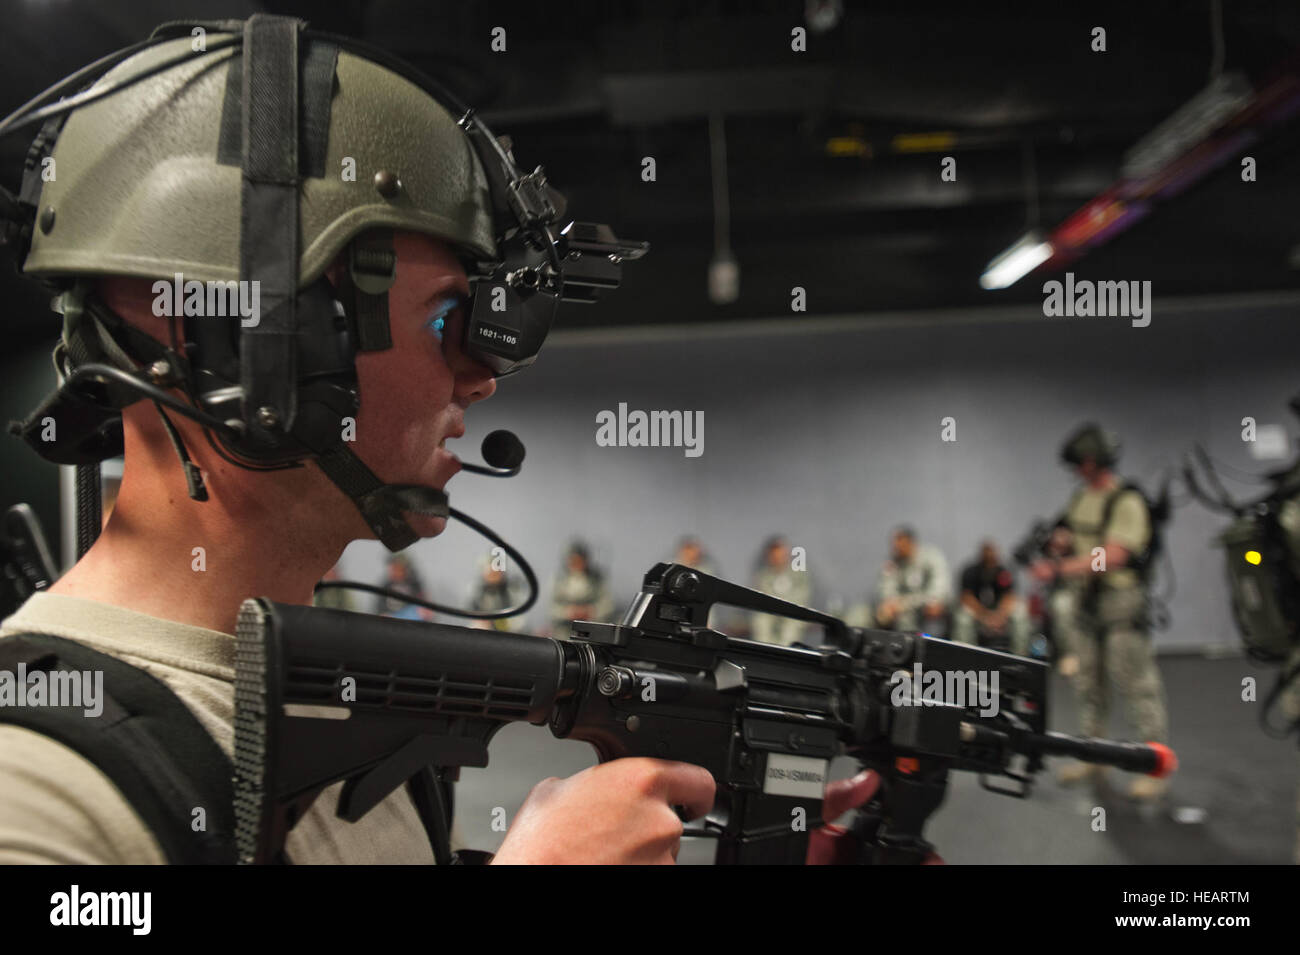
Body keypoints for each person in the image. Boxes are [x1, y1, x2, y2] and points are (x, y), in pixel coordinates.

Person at [1030, 424, 1171, 801]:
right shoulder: (1081, 499)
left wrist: (1061, 568)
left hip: (1121, 603)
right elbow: (1078, 538)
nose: (1077, 469)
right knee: (1088, 684)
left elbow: (1113, 556)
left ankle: (1155, 766)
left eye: (1080, 462)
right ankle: (1094, 756)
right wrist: (1060, 543)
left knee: (1135, 683)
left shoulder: (1127, 500)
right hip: (1086, 603)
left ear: (1092, 461)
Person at [952, 540, 1030, 656]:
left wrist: (999, 616)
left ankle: (1020, 656)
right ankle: (964, 655)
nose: (990, 557)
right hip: (978, 612)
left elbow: (1009, 597)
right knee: (963, 618)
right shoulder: (970, 572)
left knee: (1020, 614)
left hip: (998, 613)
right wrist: (984, 616)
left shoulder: (1004, 573)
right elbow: (966, 598)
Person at [873, 526, 952, 636]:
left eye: (901, 545)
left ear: (912, 543)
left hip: (931, 606)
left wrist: (904, 603)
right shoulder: (892, 564)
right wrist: (891, 604)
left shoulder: (931, 556)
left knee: (939, 613)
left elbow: (939, 589)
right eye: (895, 546)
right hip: (907, 609)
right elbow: (886, 590)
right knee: (899, 618)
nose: (897, 549)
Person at [750, 535, 813, 645]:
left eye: (781, 554)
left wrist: (785, 605)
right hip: (770, 610)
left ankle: (785, 650)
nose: (778, 558)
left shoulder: (798, 574)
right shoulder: (764, 575)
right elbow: (761, 596)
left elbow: (802, 597)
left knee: (792, 625)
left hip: (792, 610)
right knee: (761, 621)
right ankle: (764, 649)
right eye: (774, 555)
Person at [549, 541, 616, 640]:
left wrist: (589, 612)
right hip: (565, 630)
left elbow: (607, 605)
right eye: (573, 560)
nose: (577, 564)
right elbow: (552, 608)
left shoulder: (596, 580)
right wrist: (569, 612)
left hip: (590, 630)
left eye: (580, 560)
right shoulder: (560, 581)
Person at [466, 553, 528, 632]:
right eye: (490, 571)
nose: (494, 574)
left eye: (497, 571)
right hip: (484, 627)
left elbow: (517, 616)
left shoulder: (511, 589)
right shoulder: (477, 589)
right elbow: (471, 608)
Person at [373, 554, 433, 621]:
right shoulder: (385, 586)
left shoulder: (414, 585)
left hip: (411, 620)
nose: (396, 571)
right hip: (391, 619)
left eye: (399, 568)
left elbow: (423, 603)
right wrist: (384, 614)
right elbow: (380, 606)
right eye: (394, 568)